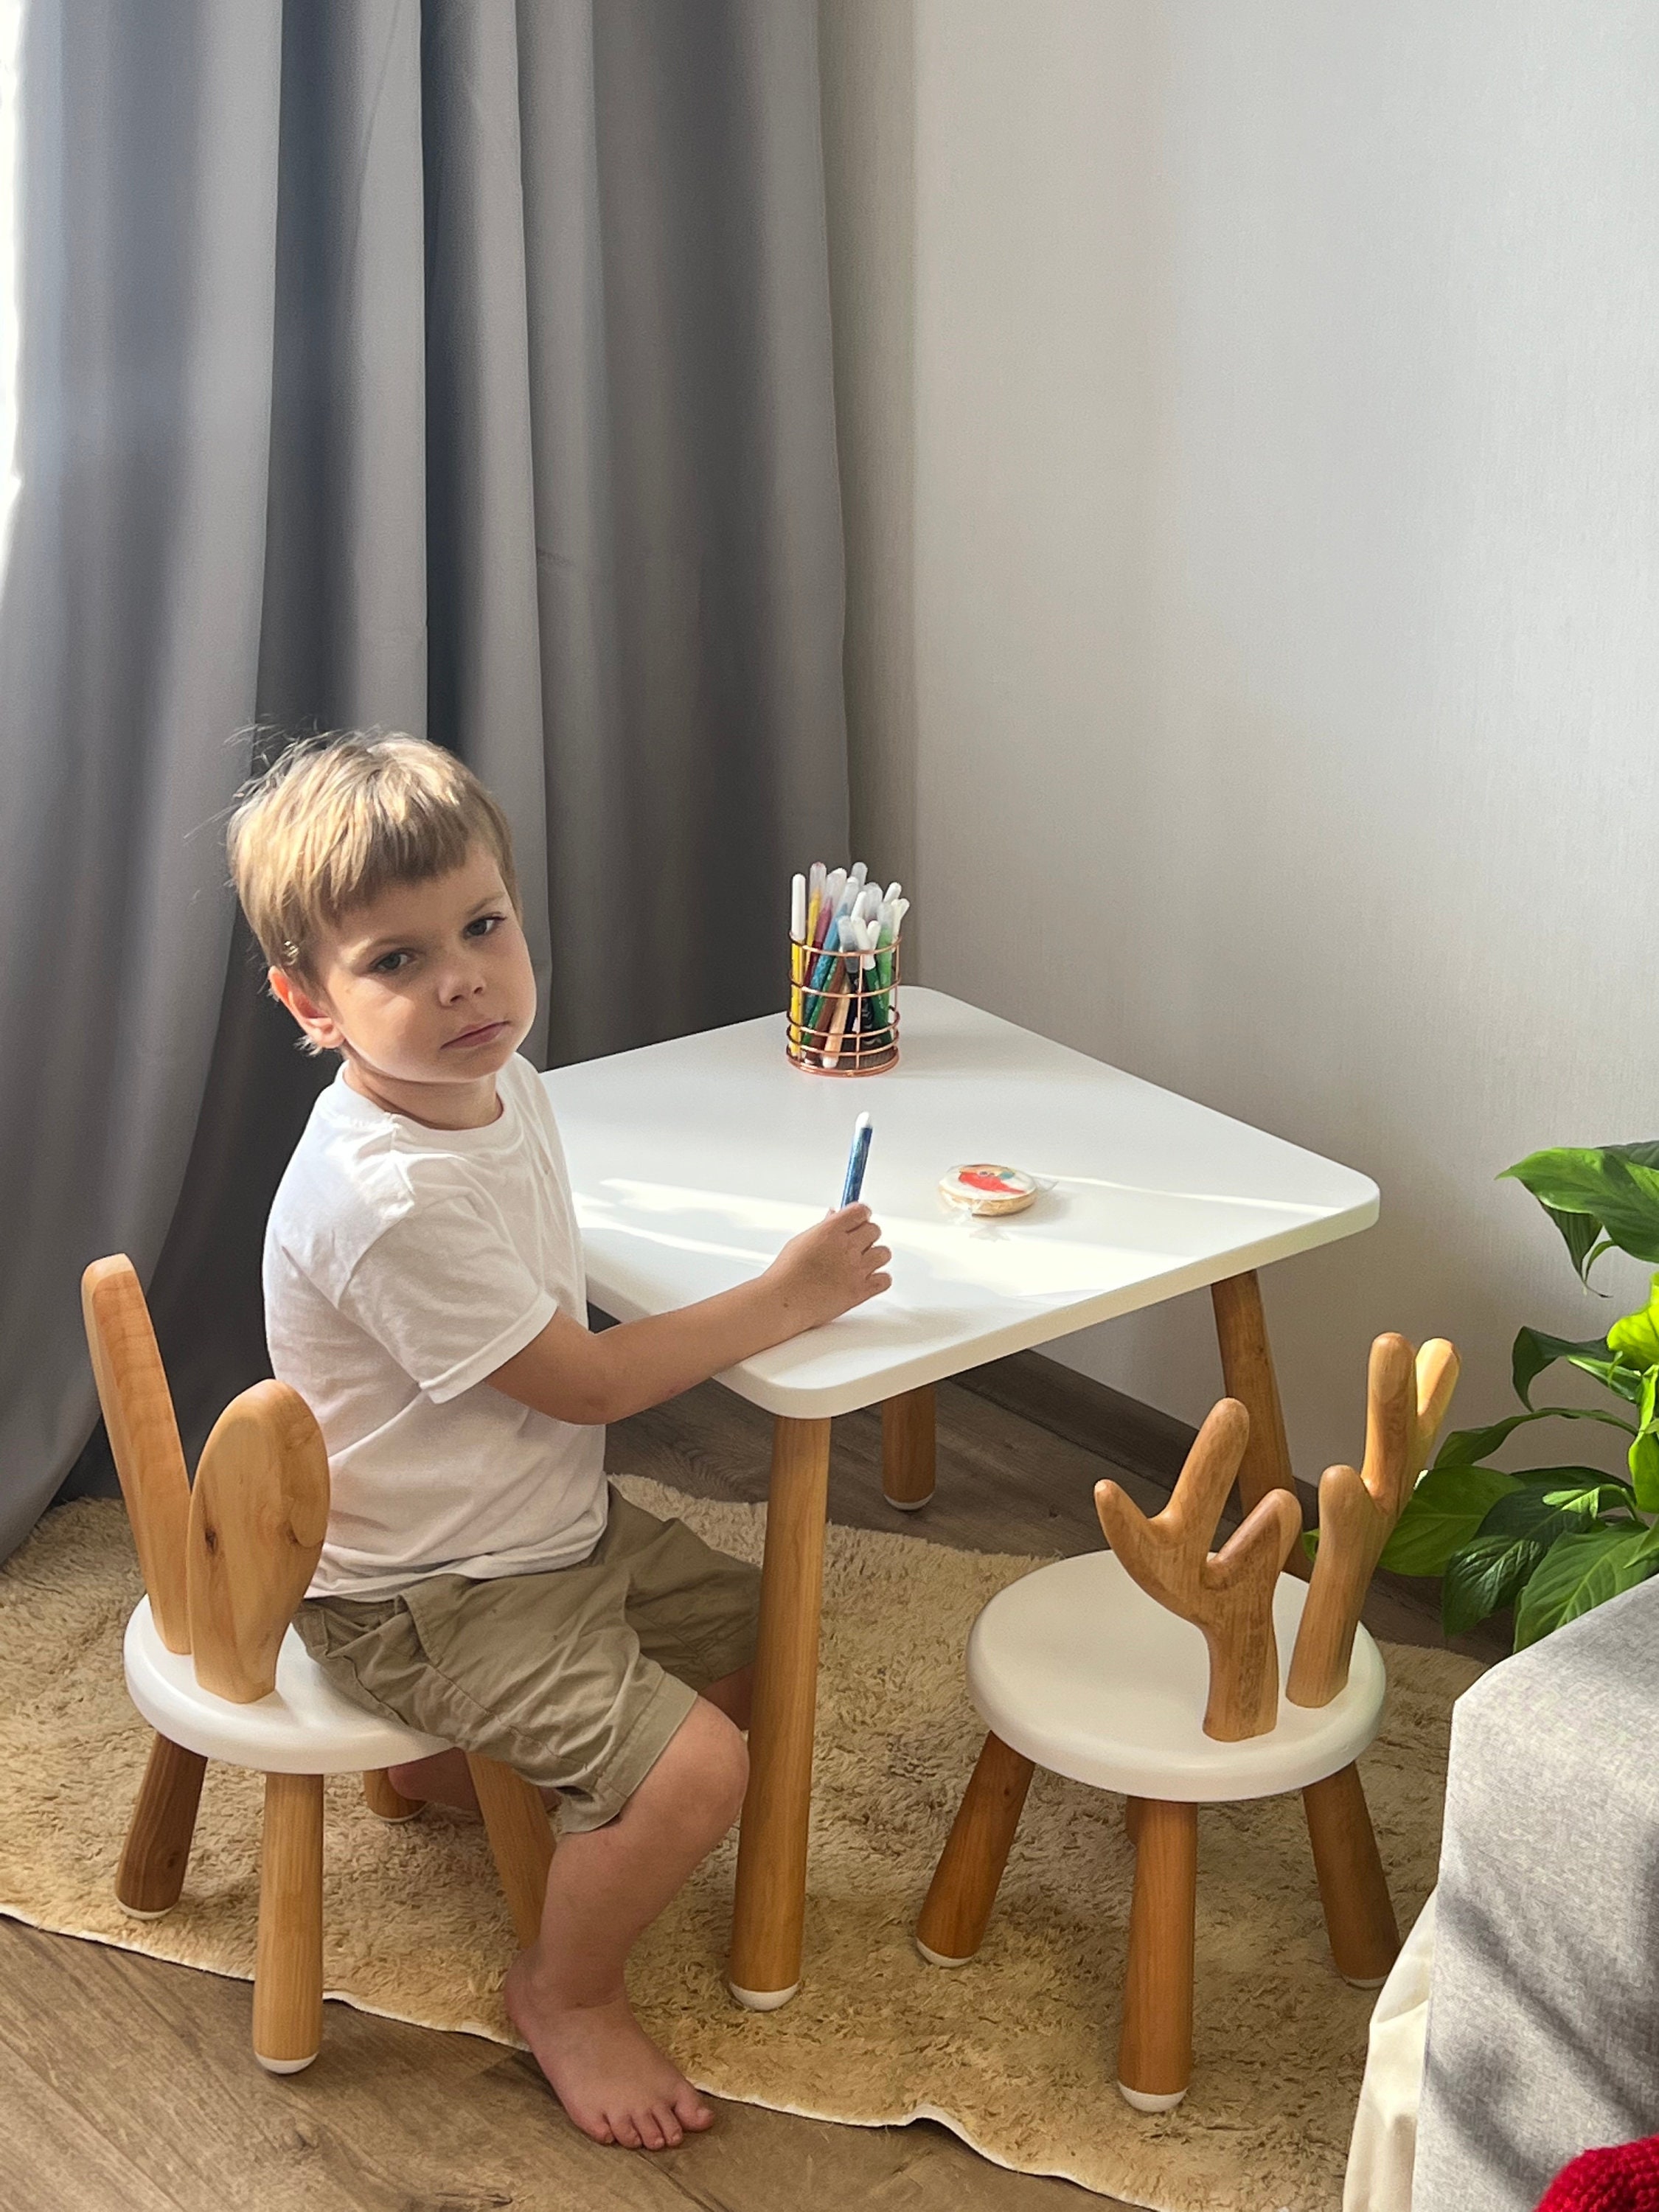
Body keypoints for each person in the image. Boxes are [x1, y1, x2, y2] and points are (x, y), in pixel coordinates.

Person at [227, 731, 890, 2151]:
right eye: (394, 962)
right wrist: (780, 1299)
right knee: (698, 1769)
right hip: (421, 1595)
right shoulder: (387, 1195)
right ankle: (565, 1988)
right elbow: (582, 1385)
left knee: (772, 1640)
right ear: (311, 1003)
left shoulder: (497, 1080)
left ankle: (444, 1771)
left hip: (534, 1535)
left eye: (481, 926)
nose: (462, 977)